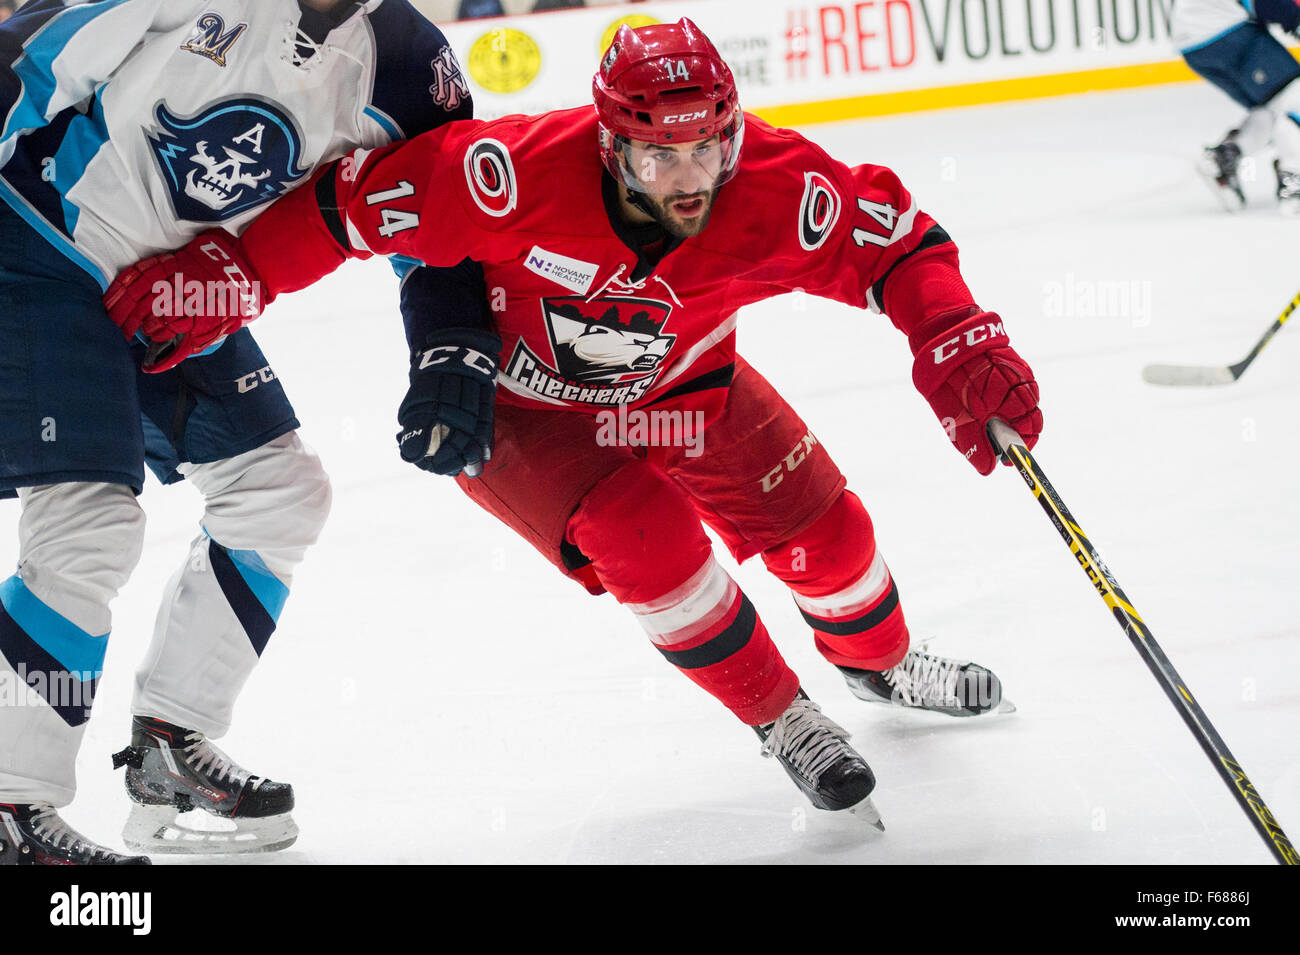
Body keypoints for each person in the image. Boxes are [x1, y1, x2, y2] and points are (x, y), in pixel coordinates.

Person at [105, 18, 1043, 822]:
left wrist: (955, 333)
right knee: (648, 539)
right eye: (660, 153)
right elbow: (346, 209)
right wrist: (240, 272)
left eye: (708, 147)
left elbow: (896, 242)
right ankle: (782, 716)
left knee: (832, 541)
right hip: (525, 414)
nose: (690, 178)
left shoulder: (776, 187)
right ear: (609, 143)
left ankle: (881, 663)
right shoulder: (508, 175)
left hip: (683, 391)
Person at [0, 0, 475, 865]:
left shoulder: (408, 63)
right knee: (87, 519)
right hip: (40, 240)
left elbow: (434, 219)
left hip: (168, 283)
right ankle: (9, 802)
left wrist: (450, 353)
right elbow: (31, 54)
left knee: (279, 494)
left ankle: (168, 747)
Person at [1174, 0, 1300, 212]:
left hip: (1194, 43)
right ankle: (1294, 180)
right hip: (1226, 33)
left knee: (1273, 106)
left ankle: (1225, 158)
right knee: (1294, 96)